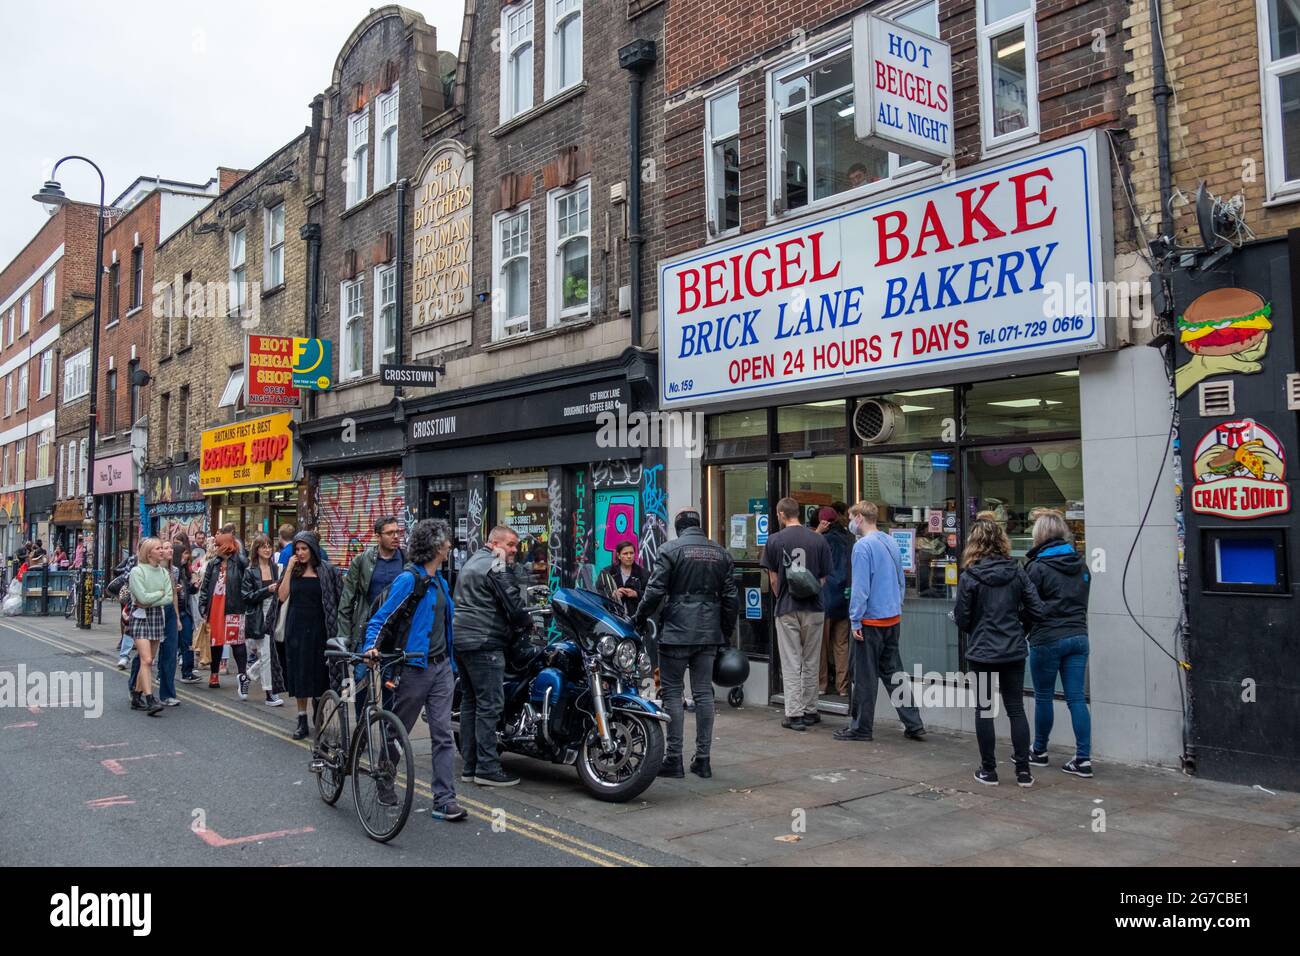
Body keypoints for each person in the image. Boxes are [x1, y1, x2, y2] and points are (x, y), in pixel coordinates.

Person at [362, 519, 464, 821]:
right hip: (413, 668)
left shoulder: (442, 582)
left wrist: (452, 662)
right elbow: (382, 617)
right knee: (398, 729)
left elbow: (444, 626)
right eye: (446, 540)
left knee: (443, 734)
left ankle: (444, 800)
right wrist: (371, 646)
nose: (450, 544)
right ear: (435, 545)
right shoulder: (409, 580)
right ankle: (384, 776)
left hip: (442, 667)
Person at [634, 508, 738, 779]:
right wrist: (723, 634)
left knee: (672, 694)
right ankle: (703, 760)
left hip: (676, 632)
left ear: (679, 528)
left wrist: (638, 618)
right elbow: (730, 600)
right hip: (708, 633)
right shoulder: (721, 553)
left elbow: (655, 591)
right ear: (699, 527)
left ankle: (674, 759)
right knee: (703, 693)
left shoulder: (670, 550)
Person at [953, 518, 1047, 787]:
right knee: (1015, 710)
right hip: (1013, 650)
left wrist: (978, 627)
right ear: (1002, 541)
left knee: (984, 710)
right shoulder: (1017, 571)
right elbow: (1037, 609)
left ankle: (989, 770)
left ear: (973, 543)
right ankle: (1024, 772)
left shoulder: (970, 576)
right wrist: (1019, 626)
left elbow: (961, 618)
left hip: (982, 652)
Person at [834, 501, 926, 742]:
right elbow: (901, 578)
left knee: (864, 678)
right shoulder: (890, 541)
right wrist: (897, 605)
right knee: (895, 674)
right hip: (891, 618)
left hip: (871, 621)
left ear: (860, 518)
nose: (851, 522)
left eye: (852, 517)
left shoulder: (862, 547)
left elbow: (861, 588)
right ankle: (914, 723)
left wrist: (855, 621)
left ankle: (861, 727)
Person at [452, 525, 533, 787]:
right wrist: (526, 620)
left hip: (462, 641)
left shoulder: (473, 561)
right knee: (490, 705)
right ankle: (487, 767)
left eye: (516, 546)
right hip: (485, 642)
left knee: (470, 703)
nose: (513, 551)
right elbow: (512, 602)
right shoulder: (496, 565)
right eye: (510, 544)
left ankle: (470, 766)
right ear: (494, 542)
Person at [1024, 509, 1093, 778]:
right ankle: (1083, 758)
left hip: (1047, 637)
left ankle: (1039, 750)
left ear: (1039, 535)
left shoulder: (1037, 568)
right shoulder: (1081, 565)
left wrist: (1025, 629)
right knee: (1076, 698)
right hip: (1079, 635)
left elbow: (1028, 606)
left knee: (1044, 696)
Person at [761, 497, 831, 732]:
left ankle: (795, 714)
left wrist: (782, 593)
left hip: (787, 607)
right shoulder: (818, 539)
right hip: (814, 608)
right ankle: (811, 709)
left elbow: (772, 578)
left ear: (781, 514)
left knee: (791, 662)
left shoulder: (774, 540)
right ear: (798, 513)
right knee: (811, 660)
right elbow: (823, 578)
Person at [276, 531, 341, 740]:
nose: (300, 553)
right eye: (297, 549)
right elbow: (282, 595)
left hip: (321, 629)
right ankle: (302, 719)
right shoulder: (292, 570)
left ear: (312, 549)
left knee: (320, 674)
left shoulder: (327, 570)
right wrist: (288, 570)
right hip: (297, 628)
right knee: (300, 673)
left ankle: (318, 714)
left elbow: (339, 599)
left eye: (304, 549)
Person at [337, 516, 405, 650]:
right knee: (361, 670)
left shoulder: (406, 560)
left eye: (398, 532)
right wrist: (344, 639)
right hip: (366, 630)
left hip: (395, 632)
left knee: (390, 670)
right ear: (378, 537)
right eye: (390, 533)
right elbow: (346, 602)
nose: (396, 536)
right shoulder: (361, 560)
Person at [198, 525, 251, 695]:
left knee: (237, 643)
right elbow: (205, 587)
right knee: (216, 643)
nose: (215, 548)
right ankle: (214, 674)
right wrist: (202, 605)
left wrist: (234, 553)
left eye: (219, 544)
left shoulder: (240, 562)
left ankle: (242, 675)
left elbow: (247, 568)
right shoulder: (213, 564)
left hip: (234, 606)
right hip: (215, 607)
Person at [127, 538, 170, 716]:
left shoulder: (164, 573)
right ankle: (151, 699)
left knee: (149, 658)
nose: (162, 551)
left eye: (162, 548)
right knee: (147, 660)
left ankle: (137, 696)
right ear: (148, 552)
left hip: (156, 615)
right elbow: (141, 599)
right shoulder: (137, 572)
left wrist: (153, 597)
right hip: (140, 617)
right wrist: (158, 594)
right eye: (158, 548)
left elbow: (168, 598)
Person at [816, 506, 854, 697]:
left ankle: (821, 685)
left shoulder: (821, 540)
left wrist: (817, 533)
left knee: (821, 646)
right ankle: (843, 687)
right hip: (844, 599)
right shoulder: (849, 539)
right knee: (841, 645)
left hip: (824, 598)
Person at [243, 535, 284, 706]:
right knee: (267, 654)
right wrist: (267, 590)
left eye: (269, 546)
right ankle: (270, 693)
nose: (267, 549)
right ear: (256, 550)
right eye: (263, 546)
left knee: (277, 654)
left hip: (276, 613)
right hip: (260, 615)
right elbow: (246, 597)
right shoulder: (250, 571)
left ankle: (247, 676)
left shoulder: (276, 568)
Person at [596, 540, 647, 618]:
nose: (629, 556)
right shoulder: (607, 573)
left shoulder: (643, 574)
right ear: (618, 555)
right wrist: (613, 594)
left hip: (637, 618)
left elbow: (652, 594)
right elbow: (598, 593)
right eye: (625, 553)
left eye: (631, 553)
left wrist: (636, 594)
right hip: (613, 617)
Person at [175, 544, 201, 684]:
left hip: (185, 611)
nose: (187, 557)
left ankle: (188, 672)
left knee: (188, 643)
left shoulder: (184, 571)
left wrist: (194, 587)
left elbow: (187, 591)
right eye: (184, 554)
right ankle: (163, 672)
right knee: (170, 645)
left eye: (187, 554)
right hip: (174, 612)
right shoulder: (173, 571)